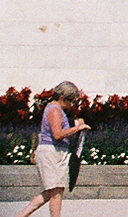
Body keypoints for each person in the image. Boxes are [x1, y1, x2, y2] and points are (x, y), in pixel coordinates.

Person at [17, 82, 87, 217]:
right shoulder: (54, 110)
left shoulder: (57, 110)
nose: (72, 104)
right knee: (56, 192)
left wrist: (78, 124)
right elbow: (58, 134)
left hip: (57, 152)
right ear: (62, 97)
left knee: (53, 191)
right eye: (71, 101)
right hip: (51, 152)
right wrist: (77, 128)